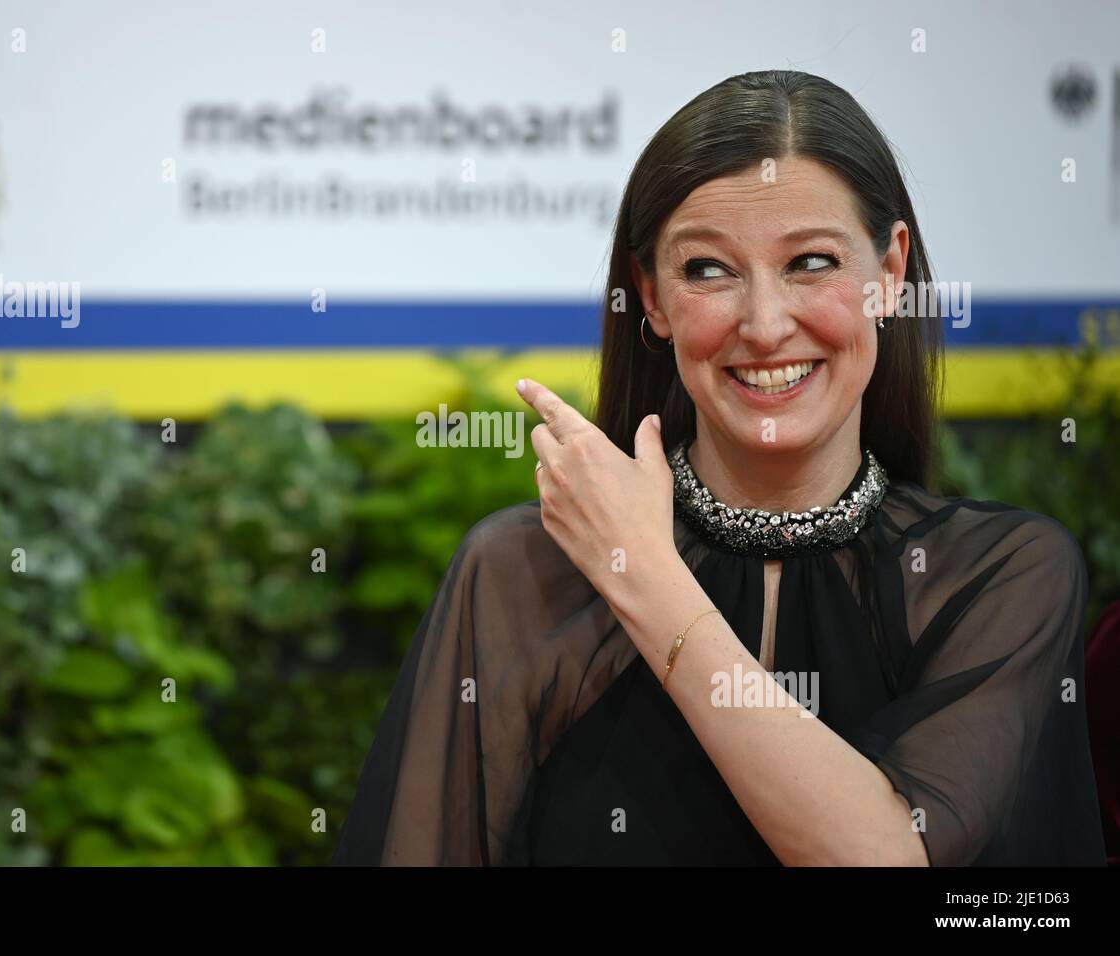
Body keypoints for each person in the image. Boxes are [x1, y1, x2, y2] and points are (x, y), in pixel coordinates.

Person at [331, 69, 1107, 866]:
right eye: (709, 270)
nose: (766, 325)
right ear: (652, 298)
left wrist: (642, 577)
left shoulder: (1004, 574)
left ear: (888, 274)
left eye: (810, 262)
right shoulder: (520, 574)